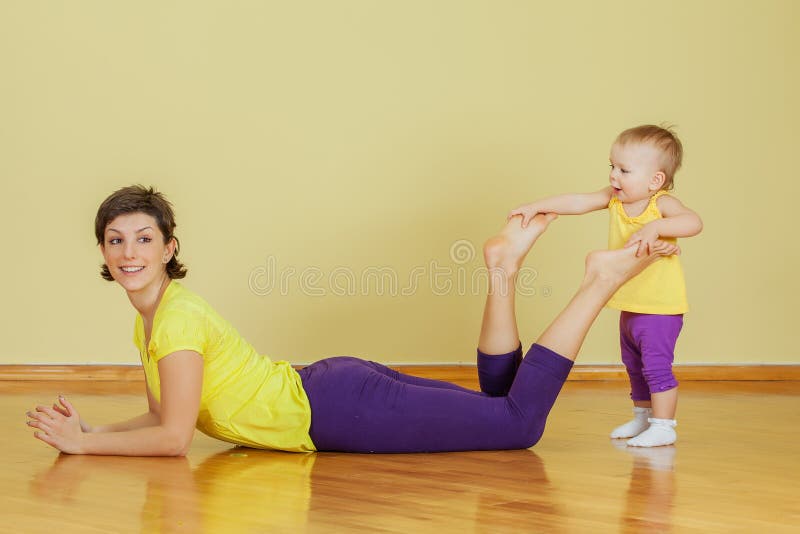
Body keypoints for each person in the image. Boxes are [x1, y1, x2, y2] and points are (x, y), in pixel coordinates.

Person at [26, 185, 680, 456]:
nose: (129, 252)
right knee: (499, 403)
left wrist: (84, 446)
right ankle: (503, 273)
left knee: (517, 425)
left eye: (143, 239)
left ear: (170, 248)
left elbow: (173, 441)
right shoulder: (153, 324)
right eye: (116, 241)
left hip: (337, 410)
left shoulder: (174, 321)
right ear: (104, 257)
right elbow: (169, 413)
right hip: (334, 389)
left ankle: (597, 282)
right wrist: (98, 427)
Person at [509, 125, 703, 447]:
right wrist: (537, 206)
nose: (614, 176)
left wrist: (657, 227)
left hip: (660, 309)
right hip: (630, 303)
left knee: (656, 366)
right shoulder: (614, 199)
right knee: (634, 365)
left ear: (655, 180)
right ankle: (643, 418)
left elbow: (693, 222)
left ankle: (664, 424)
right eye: (612, 166)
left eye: (624, 170)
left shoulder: (661, 205)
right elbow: (577, 201)